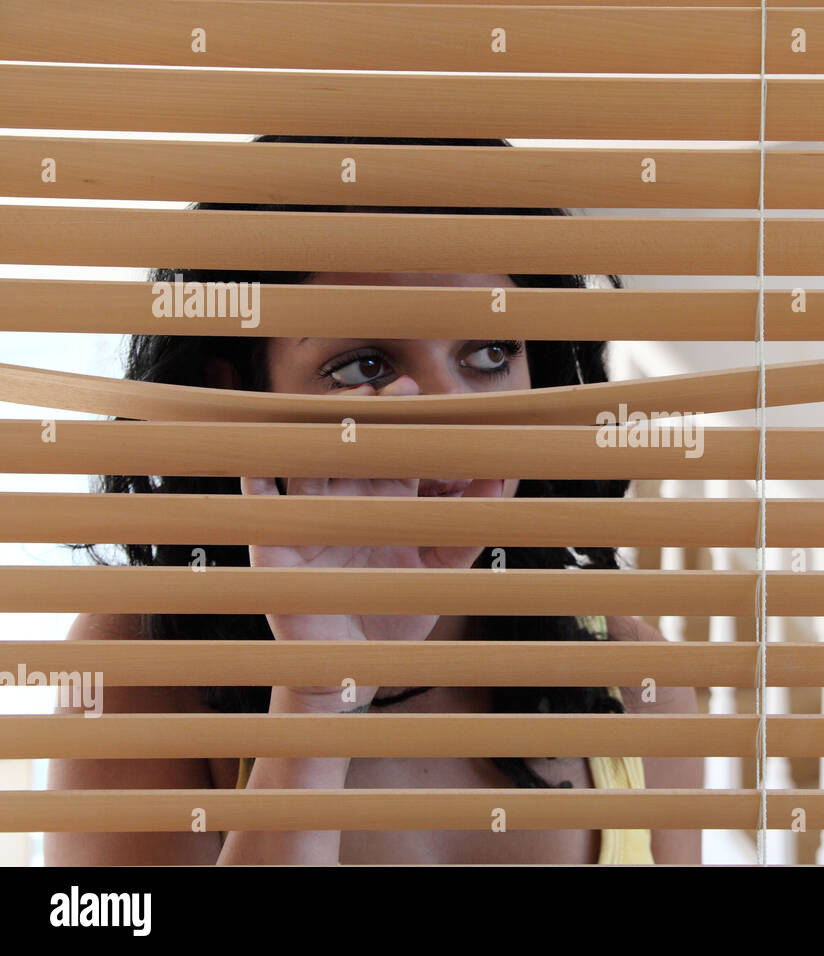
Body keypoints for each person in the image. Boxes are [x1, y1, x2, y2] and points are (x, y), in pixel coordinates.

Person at [45, 137, 704, 865]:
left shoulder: (636, 683)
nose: (451, 415)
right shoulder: (143, 664)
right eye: (364, 364)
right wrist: (319, 704)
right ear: (237, 395)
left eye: (488, 355)